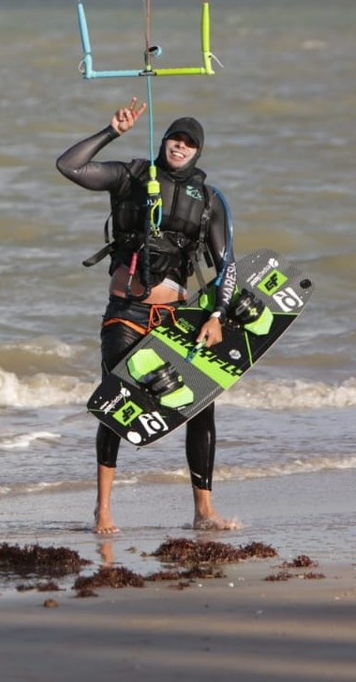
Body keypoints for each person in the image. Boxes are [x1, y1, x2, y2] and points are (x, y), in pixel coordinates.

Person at [56, 97, 237, 534]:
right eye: (175, 137)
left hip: (176, 318)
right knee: (115, 401)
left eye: (189, 143)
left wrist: (216, 316)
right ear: (164, 140)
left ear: (198, 151)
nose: (180, 146)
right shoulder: (131, 176)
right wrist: (111, 131)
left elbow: (227, 265)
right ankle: (102, 510)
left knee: (202, 408)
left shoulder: (210, 200)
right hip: (126, 312)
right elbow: (69, 166)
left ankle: (204, 511)